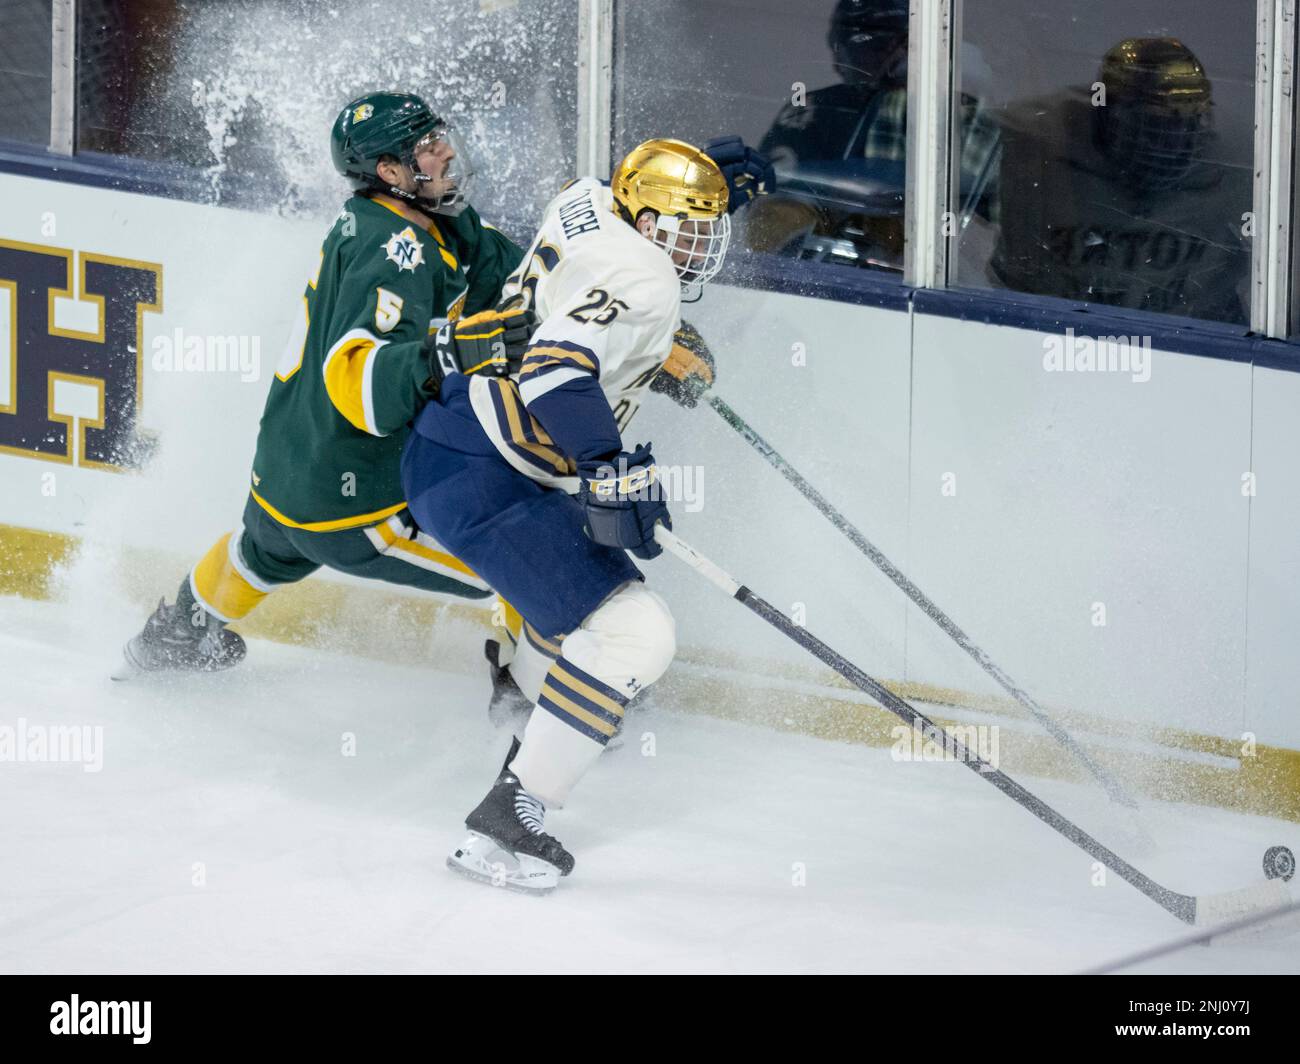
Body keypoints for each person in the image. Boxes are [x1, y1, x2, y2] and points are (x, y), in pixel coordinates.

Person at [401, 139, 733, 891]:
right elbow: (555, 367)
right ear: (647, 220)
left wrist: (648, 356)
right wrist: (607, 470)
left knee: (586, 618)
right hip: (494, 476)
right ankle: (513, 816)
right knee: (634, 632)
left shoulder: (587, 196)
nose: (703, 247)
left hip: (455, 440)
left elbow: (576, 306)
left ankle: (524, 694)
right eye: (690, 228)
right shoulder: (647, 280)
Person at [119, 91, 532, 674]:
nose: (445, 152)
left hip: (283, 477)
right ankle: (525, 702)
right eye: (427, 147)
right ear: (390, 171)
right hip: (357, 506)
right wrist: (452, 350)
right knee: (529, 563)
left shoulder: (405, 216)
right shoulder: (398, 251)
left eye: (439, 137)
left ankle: (174, 638)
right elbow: (355, 380)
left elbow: (510, 274)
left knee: (255, 554)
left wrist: (615, 310)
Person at [984, 38, 1250, 324]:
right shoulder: (1033, 144)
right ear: (1109, 113)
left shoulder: (1238, 167)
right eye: (1151, 125)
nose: (1168, 144)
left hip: (1193, 350)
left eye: (1183, 125)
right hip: (1045, 338)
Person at [747, 0, 999, 270]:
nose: (895, 57)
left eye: (903, 43)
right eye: (873, 45)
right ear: (840, 51)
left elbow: (1009, 217)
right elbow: (773, 207)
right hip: (813, 279)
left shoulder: (964, 120)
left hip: (919, 285)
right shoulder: (818, 109)